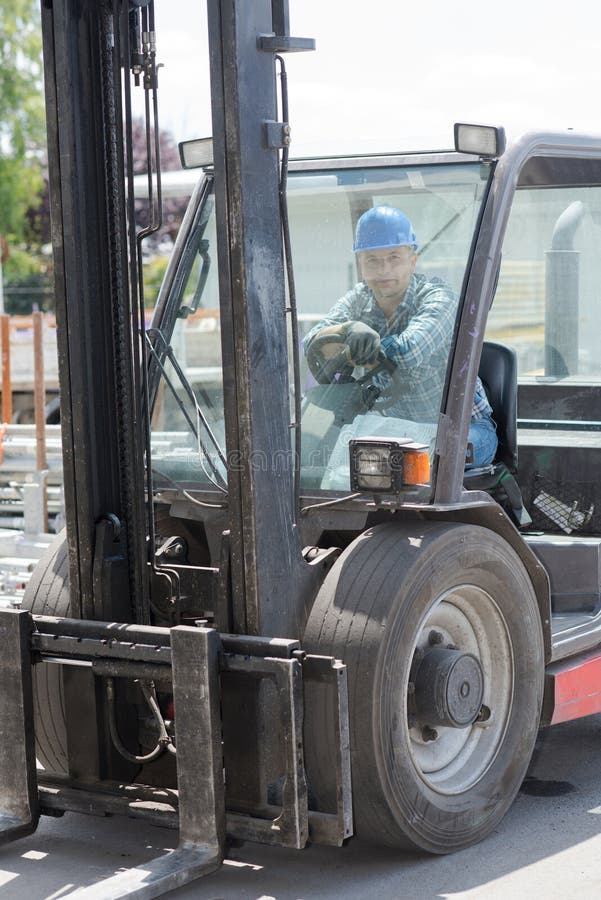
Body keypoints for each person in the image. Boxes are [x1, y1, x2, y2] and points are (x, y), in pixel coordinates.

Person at [303, 205, 497, 474]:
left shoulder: (440, 299)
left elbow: (407, 351)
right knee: (312, 457)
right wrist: (349, 327)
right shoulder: (358, 300)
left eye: (394, 257)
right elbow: (312, 343)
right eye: (372, 260)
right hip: (393, 431)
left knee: (394, 463)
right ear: (360, 264)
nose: (383, 269)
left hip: (462, 430)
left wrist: (353, 349)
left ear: (412, 260)